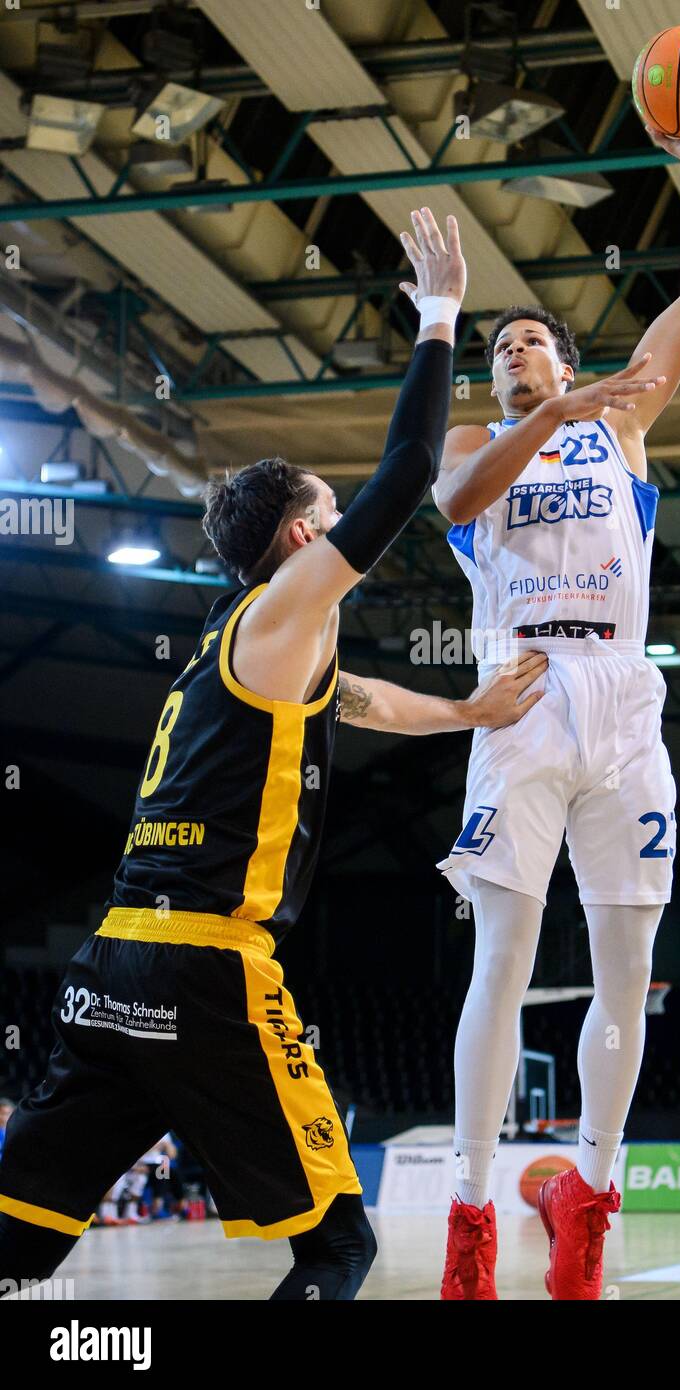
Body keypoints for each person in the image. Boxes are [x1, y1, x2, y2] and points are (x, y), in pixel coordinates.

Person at [0, 207, 546, 1302]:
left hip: (112, 971)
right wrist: (439, 313)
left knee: (16, 1239)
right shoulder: (286, 606)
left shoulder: (238, 652)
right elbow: (406, 471)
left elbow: (361, 702)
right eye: (327, 512)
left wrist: (469, 712)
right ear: (301, 540)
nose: (345, 522)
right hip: (206, 971)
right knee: (340, 1250)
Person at [434, 117, 680, 1300]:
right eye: (499, 345)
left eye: (531, 343)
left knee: (626, 972)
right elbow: (454, 491)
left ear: (565, 358)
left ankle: (589, 1200)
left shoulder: (620, 425)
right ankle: (467, 1213)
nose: (512, 351)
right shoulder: (483, 439)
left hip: (624, 694)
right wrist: (545, 418)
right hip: (522, 695)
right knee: (501, 965)